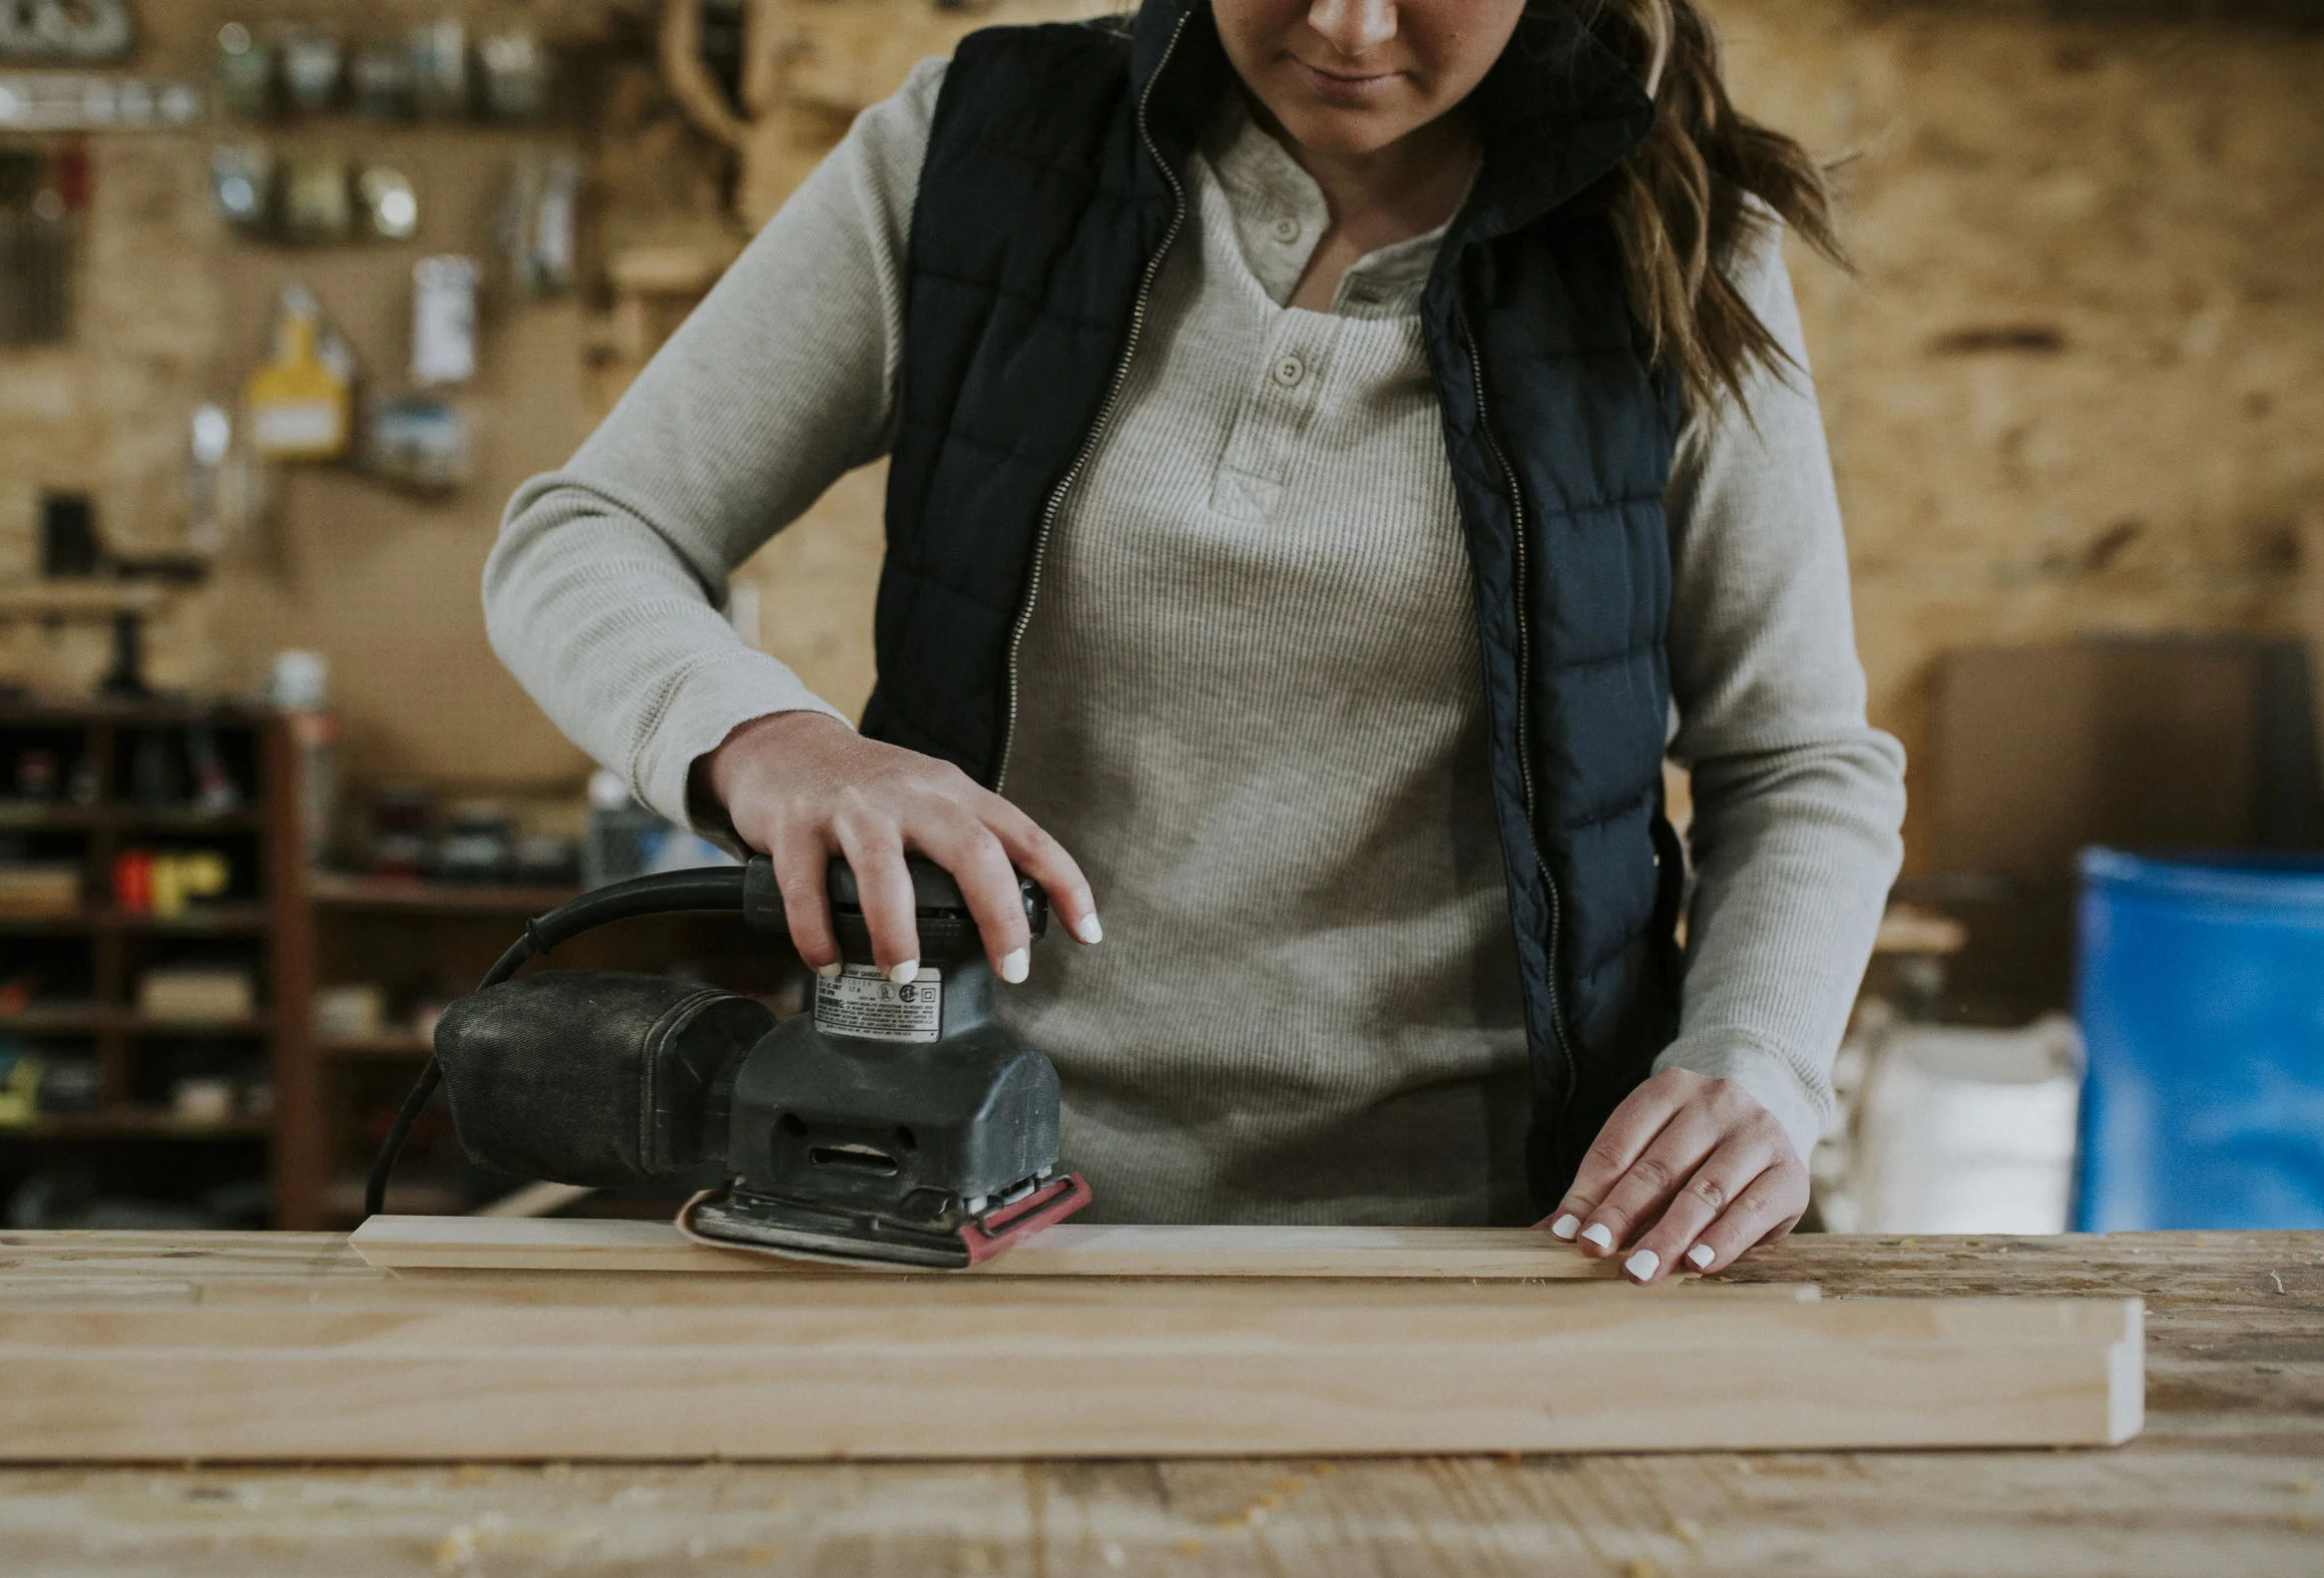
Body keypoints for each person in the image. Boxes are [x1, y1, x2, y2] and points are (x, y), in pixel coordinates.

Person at [484, 0, 1906, 1281]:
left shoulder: (1687, 237)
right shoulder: (974, 153)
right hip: (974, 1220)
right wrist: (768, 740)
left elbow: (1793, 761)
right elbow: (584, 530)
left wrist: (1758, 1059)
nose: (1351, 25)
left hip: (1507, 1250)